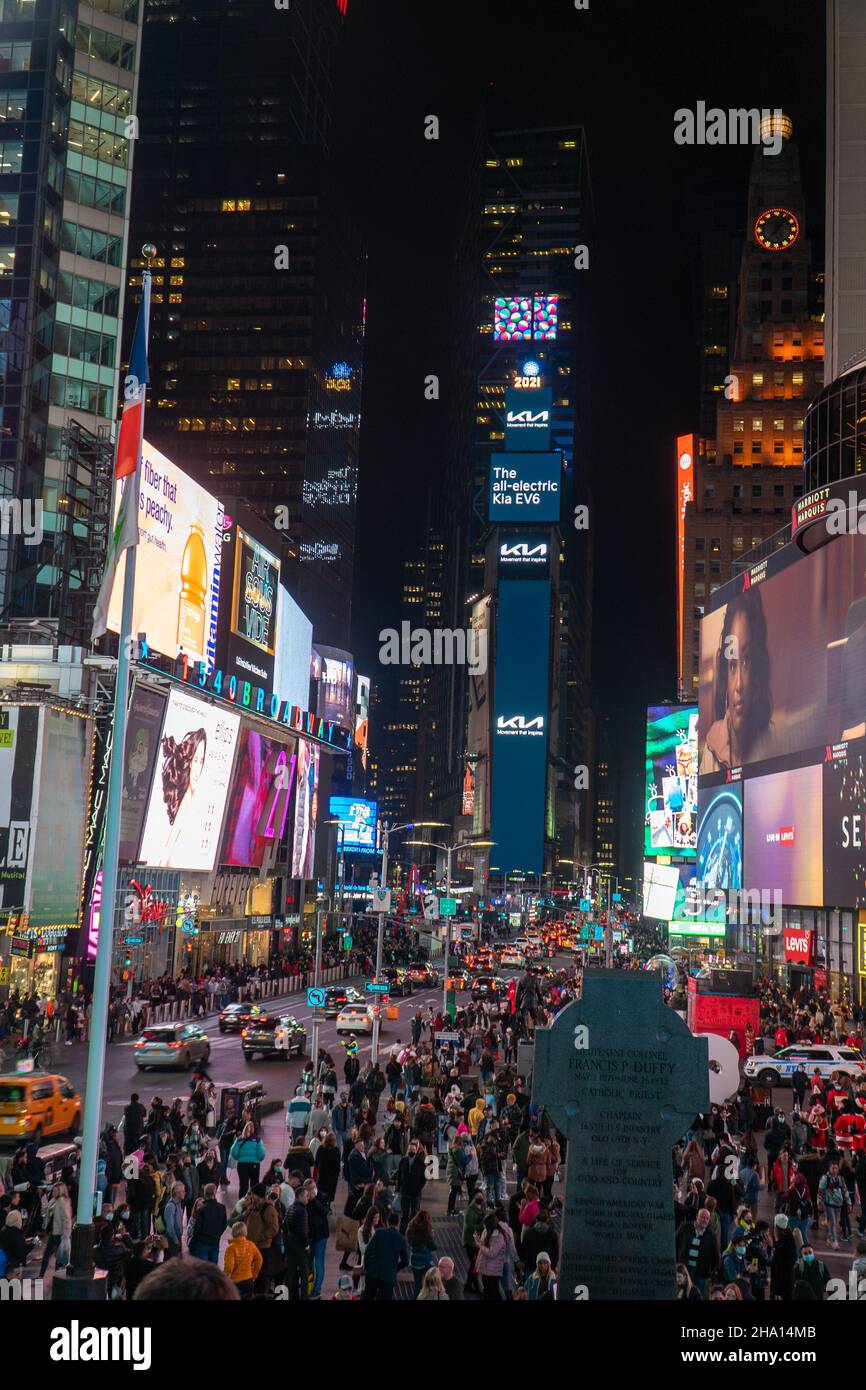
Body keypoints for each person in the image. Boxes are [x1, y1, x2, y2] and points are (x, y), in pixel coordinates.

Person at [700, 587, 773, 772]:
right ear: (725, 672)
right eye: (732, 665)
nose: (739, 684)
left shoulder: (773, 746)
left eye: (747, 661)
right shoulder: (710, 751)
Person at [362, 1210, 410, 1300]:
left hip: (373, 1274)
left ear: (388, 1222)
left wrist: (368, 1267)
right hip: (388, 1278)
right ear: (398, 1224)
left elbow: (368, 1251)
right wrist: (395, 1268)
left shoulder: (379, 1232)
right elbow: (406, 1261)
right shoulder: (401, 1239)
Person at [675, 1207, 718, 1298]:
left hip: (700, 1273)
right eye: (702, 1217)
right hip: (684, 1270)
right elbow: (675, 1243)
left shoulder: (711, 1235)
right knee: (682, 1295)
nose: (705, 1220)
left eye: (707, 1218)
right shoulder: (685, 1227)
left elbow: (716, 1255)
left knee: (698, 1296)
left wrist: (712, 1272)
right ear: (696, 1217)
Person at [283, 1176, 311, 1300]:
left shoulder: (290, 1208)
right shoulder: (302, 1210)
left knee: (289, 1274)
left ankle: (287, 1296)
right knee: (304, 1274)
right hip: (300, 1247)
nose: (308, 1198)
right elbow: (304, 1231)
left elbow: (284, 1226)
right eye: (306, 1196)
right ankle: (304, 1296)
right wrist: (307, 1245)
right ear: (299, 1196)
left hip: (290, 1245)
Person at [187, 1182, 227, 1264]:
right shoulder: (222, 1208)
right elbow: (224, 1225)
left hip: (202, 1243)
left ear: (205, 1194)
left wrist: (195, 1240)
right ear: (214, 1193)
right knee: (212, 1268)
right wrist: (217, 1234)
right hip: (215, 1242)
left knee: (202, 1269)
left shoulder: (202, 1210)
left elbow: (197, 1229)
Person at [39, 1182, 72, 1277]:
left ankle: (58, 1276)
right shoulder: (53, 1201)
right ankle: (42, 1275)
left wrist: (66, 1235)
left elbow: (67, 1219)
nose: (53, 1192)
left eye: (56, 1190)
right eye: (53, 1190)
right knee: (48, 1255)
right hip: (53, 1232)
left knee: (58, 1256)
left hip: (60, 1233)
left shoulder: (62, 1202)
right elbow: (45, 1215)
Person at [223, 1219, 262, 1299]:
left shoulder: (231, 1248)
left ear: (233, 1232)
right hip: (249, 1281)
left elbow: (229, 1268)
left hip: (235, 1283)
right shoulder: (251, 1245)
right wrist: (254, 1274)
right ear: (245, 1231)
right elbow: (259, 1260)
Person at [818, 1160, 851, 1250]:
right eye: (832, 1168)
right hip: (828, 1203)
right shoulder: (825, 1178)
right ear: (829, 1168)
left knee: (834, 1222)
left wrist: (849, 1203)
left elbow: (845, 1191)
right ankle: (834, 1241)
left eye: (836, 1168)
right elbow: (820, 1191)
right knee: (832, 1223)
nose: (834, 1170)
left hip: (838, 1203)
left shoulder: (841, 1179)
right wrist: (819, 1203)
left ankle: (829, 1237)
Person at [475, 1210, 508, 1300]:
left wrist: (480, 1245)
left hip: (492, 1270)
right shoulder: (488, 1231)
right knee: (487, 1291)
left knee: (493, 1292)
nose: (484, 1227)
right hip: (486, 1268)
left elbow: (492, 1253)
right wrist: (479, 1241)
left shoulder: (499, 1236)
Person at [396, 1139, 427, 1234]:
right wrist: (399, 1186)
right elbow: (399, 1174)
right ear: (408, 1150)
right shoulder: (403, 1161)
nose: (412, 1151)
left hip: (415, 1193)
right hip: (405, 1192)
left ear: (416, 1150)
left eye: (413, 1150)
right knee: (404, 1214)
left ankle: (412, 1232)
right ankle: (402, 1233)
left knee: (414, 1214)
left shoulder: (420, 1162)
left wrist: (419, 1186)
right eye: (410, 1149)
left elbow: (424, 1177)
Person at [405, 1208, 437, 1296]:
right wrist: (433, 1236)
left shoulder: (411, 1229)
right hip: (425, 1261)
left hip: (414, 1261)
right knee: (431, 1283)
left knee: (417, 1285)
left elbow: (409, 1242)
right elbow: (433, 1247)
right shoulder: (426, 1232)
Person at [230, 1123, 265, 1199]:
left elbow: (233, 1151)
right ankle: (253, 1202)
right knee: (254, 1185)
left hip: (242, 1164)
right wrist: (258, 1159)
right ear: (253, 1130)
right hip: (254, 1164)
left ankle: (242, 1204)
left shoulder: (239, 1139)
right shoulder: (257, 1139)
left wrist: (238, 1157)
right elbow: (261, 1153)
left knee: (243, 1185)